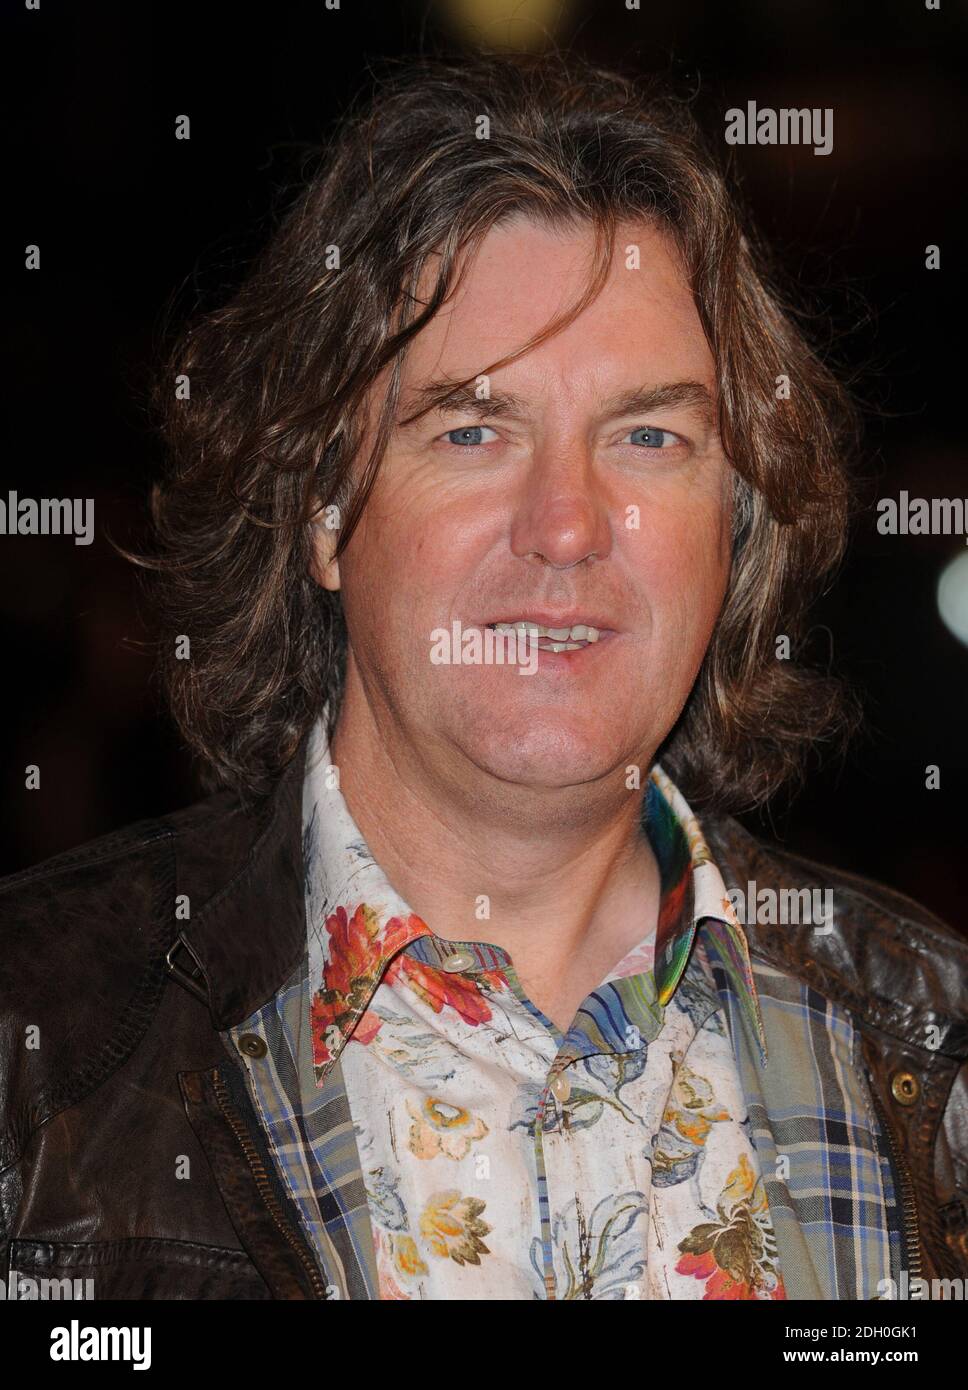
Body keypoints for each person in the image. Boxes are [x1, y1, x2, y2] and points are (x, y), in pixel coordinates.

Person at [1, 50, 965, 1301]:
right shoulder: (33, 1062)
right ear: (326, 513)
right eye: (470, 428)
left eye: (646, 435)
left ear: (731, 526)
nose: (565, 525)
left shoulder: (932, 1063)